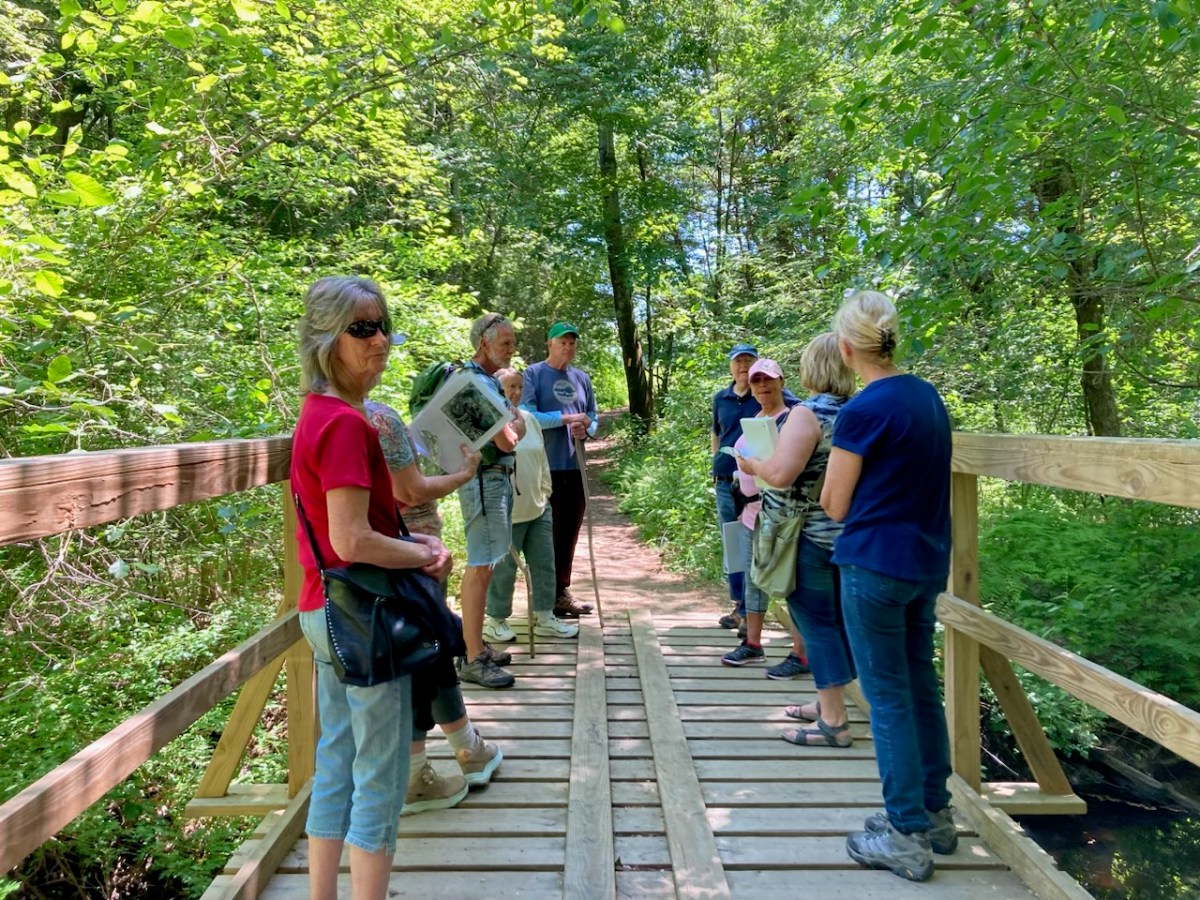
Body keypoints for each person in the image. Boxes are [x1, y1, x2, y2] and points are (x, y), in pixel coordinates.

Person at [290, 275, 454, 899]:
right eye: (362, 329)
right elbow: (352, 541)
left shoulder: (317, 414)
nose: (380, 340)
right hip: (363, 620)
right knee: (380, 775)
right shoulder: (347, 426)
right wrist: (422, 550)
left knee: (336, 762)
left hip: (323, 609)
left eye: (383, 325)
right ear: (327, 339)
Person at [821, 290, 956, 882]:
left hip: (874, 563)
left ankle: (904, 833)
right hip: (927, 562)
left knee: (889, 696)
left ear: (847, 348)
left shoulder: (864, 409)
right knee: (921, 684)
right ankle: (935, 812)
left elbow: (834, 502)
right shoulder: (927, 396)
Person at [364, 399, 505, 814]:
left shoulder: (325, 416)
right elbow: (407, 490)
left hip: (382, 558)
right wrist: (464, 473)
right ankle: (416, 773)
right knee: (420, 655)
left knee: (431, 651)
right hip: (409, 553)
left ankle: (466, 748)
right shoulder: (377, 417)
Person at [736, 334, 856, 744]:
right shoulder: (859, 411)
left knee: (817, 624)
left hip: (808, 536)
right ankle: (827, 703)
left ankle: (835, 721)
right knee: (836, 620)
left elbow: (782, 474)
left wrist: (753, 463)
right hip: (851, 535)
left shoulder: (809, 414)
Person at [484, 368, 580, 641]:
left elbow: (540, 460)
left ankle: (545, 616)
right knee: (503, 570)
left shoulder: (529, 419)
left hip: (538, 506)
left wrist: (545, 491)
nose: (514, 392)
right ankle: (496, 619)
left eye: (518, 387)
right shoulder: (489, 422)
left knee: (543, 563)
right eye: (508, 387)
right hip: (507, 510)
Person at [456, 312, 525, 689]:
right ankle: (471, 658)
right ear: (484, 342)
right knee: (481, 565)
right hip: (485, 482)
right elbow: (508, 440)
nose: (512, 351)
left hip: (495, 480)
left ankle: (474, 644)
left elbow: (514, 430)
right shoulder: (478, 383)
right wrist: (515, 424)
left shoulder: (484, 381)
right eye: (505, 343)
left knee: (490, 561)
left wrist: (514, 424)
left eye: (512, 343)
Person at [711, 343, 799, 634]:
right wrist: (714, 467)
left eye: (749, 360)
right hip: (727, 482)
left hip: (765, 491)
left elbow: (796, 416)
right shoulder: (721, 399)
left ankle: (754, 614)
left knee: (762, 551)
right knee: (734, 544)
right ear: (731, 366)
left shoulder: (769, 396)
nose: (743, 366)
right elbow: (717, 433)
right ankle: (740, 606)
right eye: (738, 361)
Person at [520, 322, 598, 619]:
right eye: (562, 342)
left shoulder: (581, 378)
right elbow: (529, 416)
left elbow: (592, 415)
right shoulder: (534, 374)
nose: (568, 347)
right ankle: (542, 596)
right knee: (545, 534)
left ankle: (560, 593)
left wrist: (587, 426)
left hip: (574, 464)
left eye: (572, 342)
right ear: (549, 344)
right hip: (544, 466)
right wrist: (567, 419)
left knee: (568, 531)